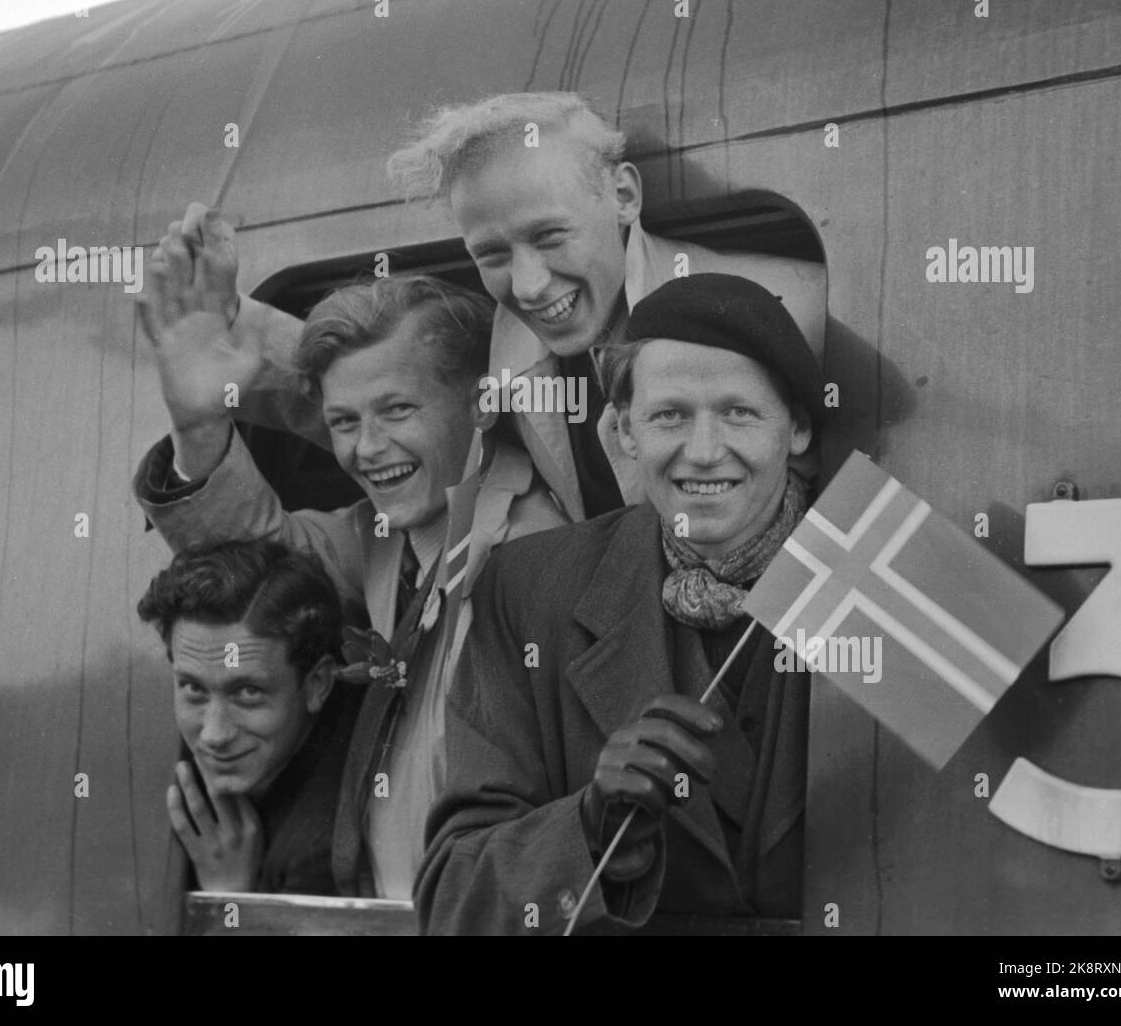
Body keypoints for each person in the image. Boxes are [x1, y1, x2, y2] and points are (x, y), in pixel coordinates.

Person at [178, 92, 823, 522]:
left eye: (549, 237)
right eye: (490, 255)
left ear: (623, 196)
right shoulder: (511, 348)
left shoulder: (786, 305)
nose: (530, 285)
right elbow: (413, 416)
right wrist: (237, 331)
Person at [415, 274, 825, 935]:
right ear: (626, 432)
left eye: (739, 413)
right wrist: (586, 832)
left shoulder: (881, 589)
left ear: (798, 428)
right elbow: (452, 901)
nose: (703, 450)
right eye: (669, 415)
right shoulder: (529, 592)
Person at [133, 272, 567, 899]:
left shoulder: (532, 552)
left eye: (398, 410)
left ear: (481, 403)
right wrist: (199, 427)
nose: (366, 448)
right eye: (341, 422)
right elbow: (262, 579)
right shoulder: (392, 533)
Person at [137, 538, 356, 895]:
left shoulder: (319, 850)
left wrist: (228, 898)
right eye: (194, 689)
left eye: (247, 693)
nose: (213, 734)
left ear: (318, 683)